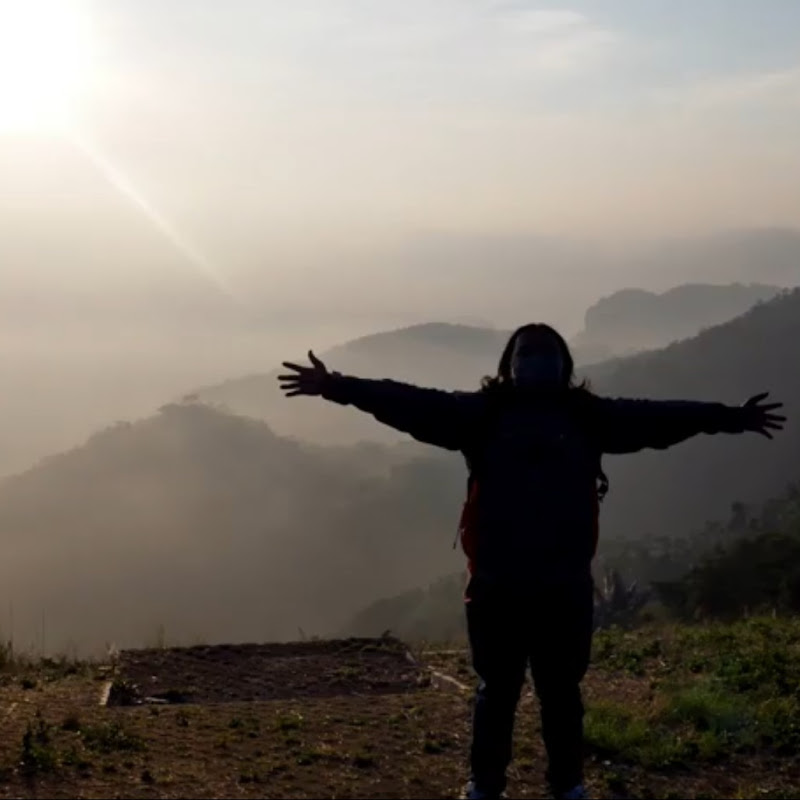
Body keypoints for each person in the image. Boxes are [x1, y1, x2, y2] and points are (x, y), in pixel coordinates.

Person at [277, 323, 785, 800]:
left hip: (512, 584)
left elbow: (410, 403)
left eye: (541, 355)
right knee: (550, 693)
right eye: (532, 354)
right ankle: (557, 787)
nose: (537, 362)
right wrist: (730, 417)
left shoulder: (489, 415)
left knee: (505, 693)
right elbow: (661, 418)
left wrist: (336, 386)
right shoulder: (580, 417)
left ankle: (495, 787)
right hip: (544, 584)